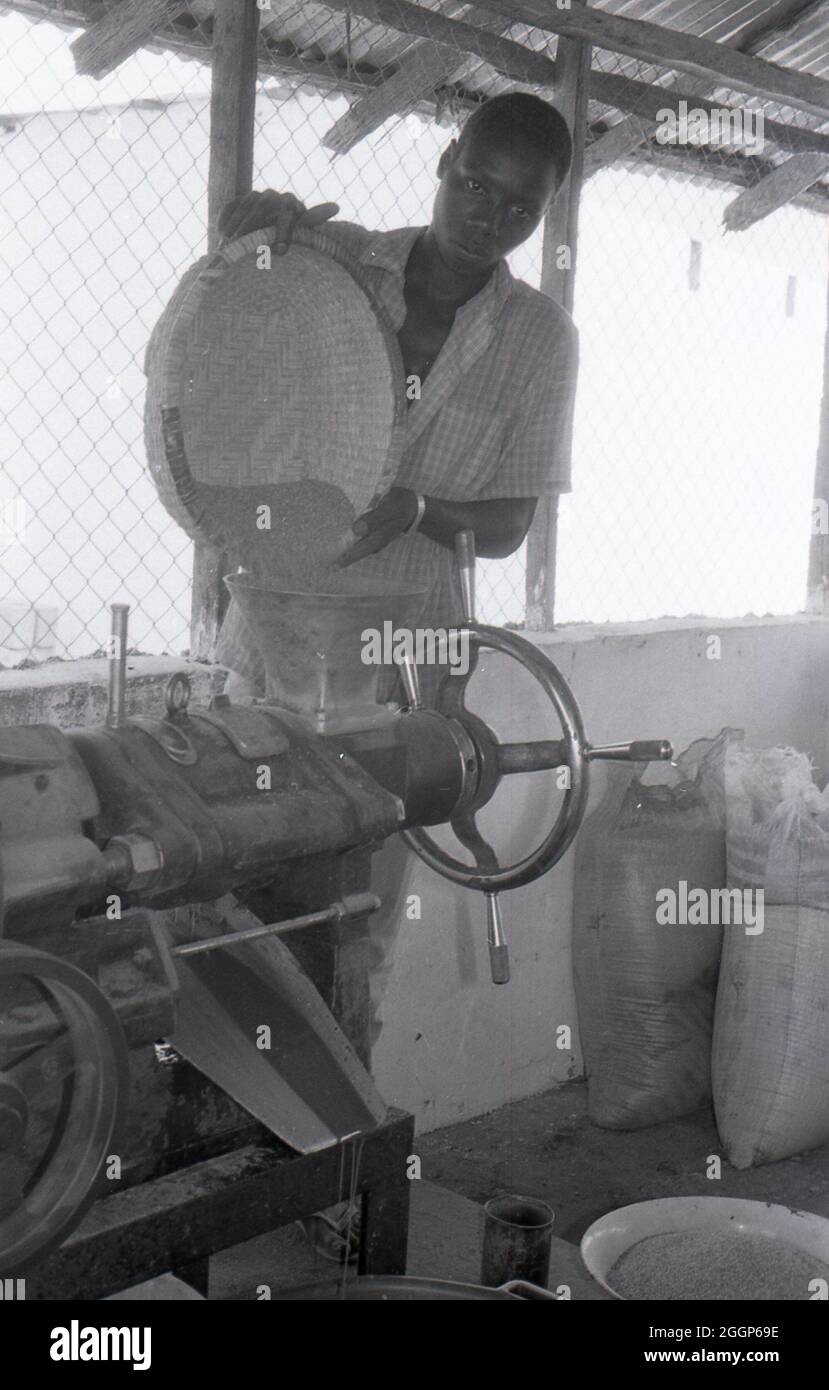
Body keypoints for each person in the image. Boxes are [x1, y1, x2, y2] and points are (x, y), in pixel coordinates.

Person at [216, 92, 579, 1262]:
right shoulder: (335, 268)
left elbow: (513, 523)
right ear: (443, 160)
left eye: (520, 205)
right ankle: (221, 1141)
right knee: (226, 884)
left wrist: (417, 508)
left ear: (542, 212)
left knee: (349, 920)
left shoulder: (539, 340)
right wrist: (248, 233)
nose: (489, 216)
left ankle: (319, 1178)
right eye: (475, 183)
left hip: (408, 645)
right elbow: (226, 352)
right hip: (275, 621)